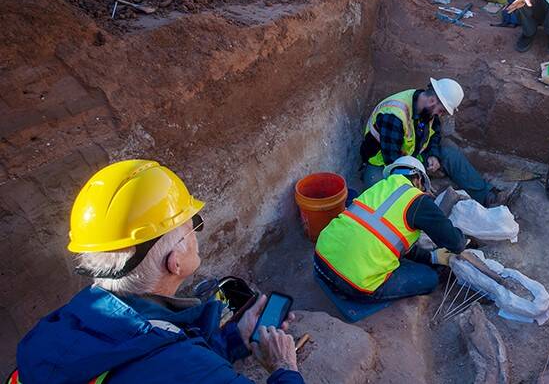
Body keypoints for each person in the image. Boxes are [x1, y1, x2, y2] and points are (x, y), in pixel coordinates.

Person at [14, 160, 303, 383]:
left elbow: (164, 361)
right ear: (174, 261)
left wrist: (234, 338)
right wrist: (284, 367)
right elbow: (179, 369)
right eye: (192, 225)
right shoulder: (181, 366)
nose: (196, 234)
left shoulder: (59, 329)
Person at [315, 156, 466, 302]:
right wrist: (463, 238)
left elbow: (390, 237)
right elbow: (456, 243)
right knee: (430, 278)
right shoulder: (417, 199)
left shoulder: (377, 189)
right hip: (353, 283)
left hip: (321, 259)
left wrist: (431, 257)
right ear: (418, 179)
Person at [360, 78, 518, 207]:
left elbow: (434, 135)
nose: (440, 115)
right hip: (382, 167)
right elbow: (392, 161)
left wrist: (433, 156)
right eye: (441, 111)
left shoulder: (427, 110)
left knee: (451, 156)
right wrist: (419, 183)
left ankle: (488, 196)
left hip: (413, 157)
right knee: (386, 196)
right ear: (432, 100)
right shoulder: (394, 116)